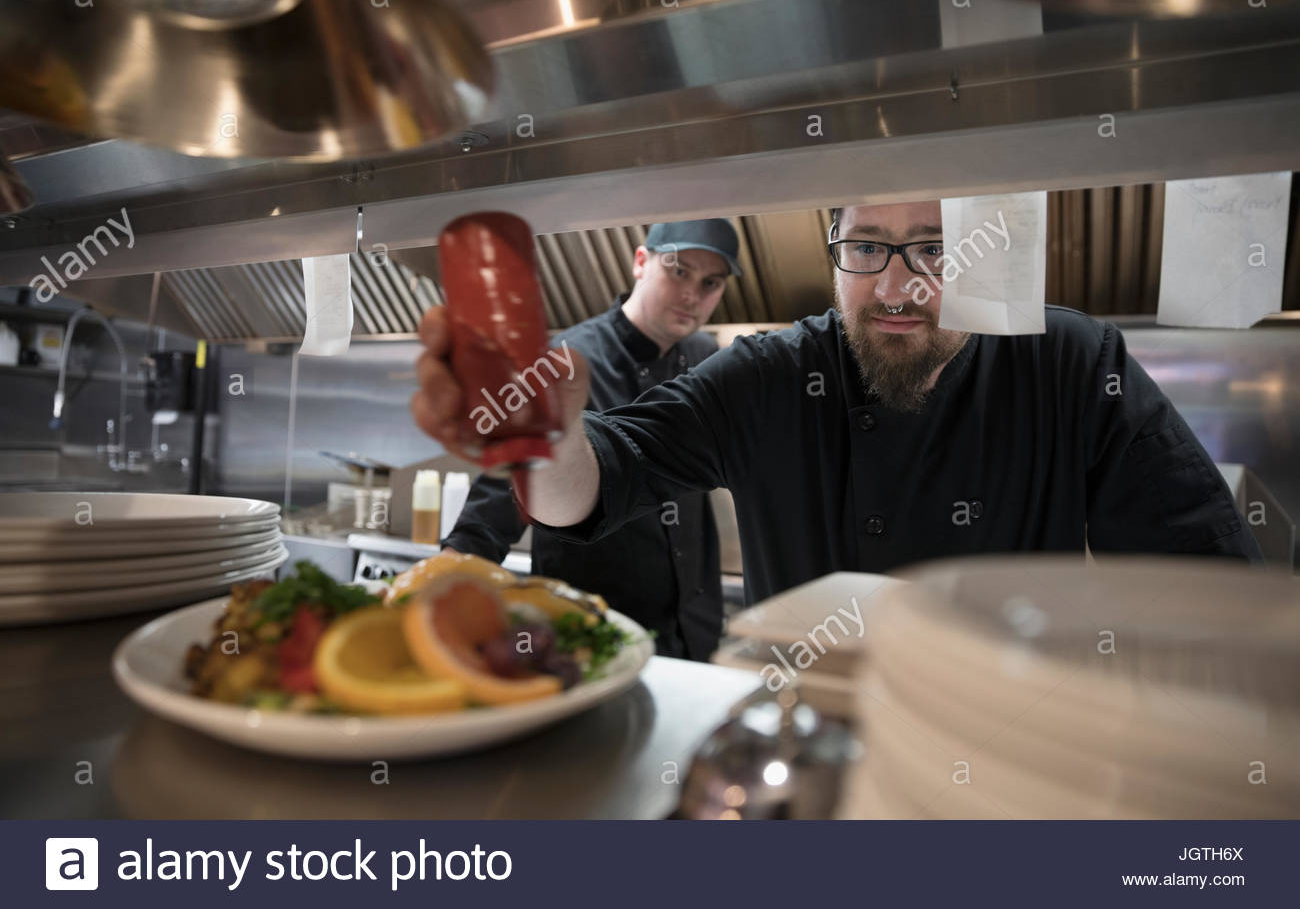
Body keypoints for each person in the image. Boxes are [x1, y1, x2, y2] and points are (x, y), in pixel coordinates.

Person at [413, 200, 1260, 606]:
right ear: (834, 256)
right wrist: (551, 436)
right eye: (866, 248)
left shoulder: (1070, 363)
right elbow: (601, 482)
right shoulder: (769, 376)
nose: (897, 285)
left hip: (1009, 761)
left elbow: (1204, 585)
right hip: (811, 767)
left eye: (931, 248)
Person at [439, 219, 741, 659]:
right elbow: (512, 479)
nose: (692, 295)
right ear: (641, 262)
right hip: (590, 637)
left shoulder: (705, 359)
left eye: (710, 282)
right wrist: (458, 563)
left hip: (691, 632)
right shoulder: (565, 363)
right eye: (679, 271)